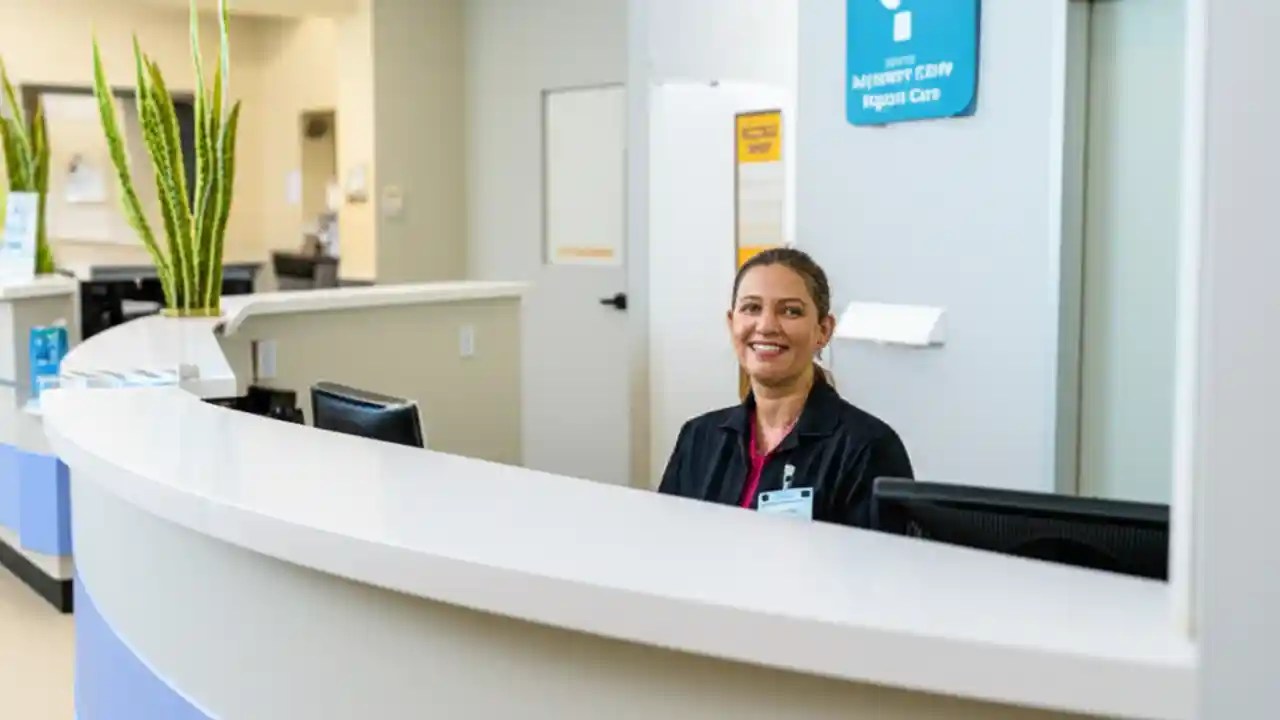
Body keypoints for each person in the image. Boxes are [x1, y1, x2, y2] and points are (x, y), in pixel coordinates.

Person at [659, 248, 913, 528]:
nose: (766, 326)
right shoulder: (698, 437)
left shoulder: (867, 447)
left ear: (823, 330)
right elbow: (669, 549)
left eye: (790, 311)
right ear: (732, 323)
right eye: (751, 308)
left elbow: (880, 568)